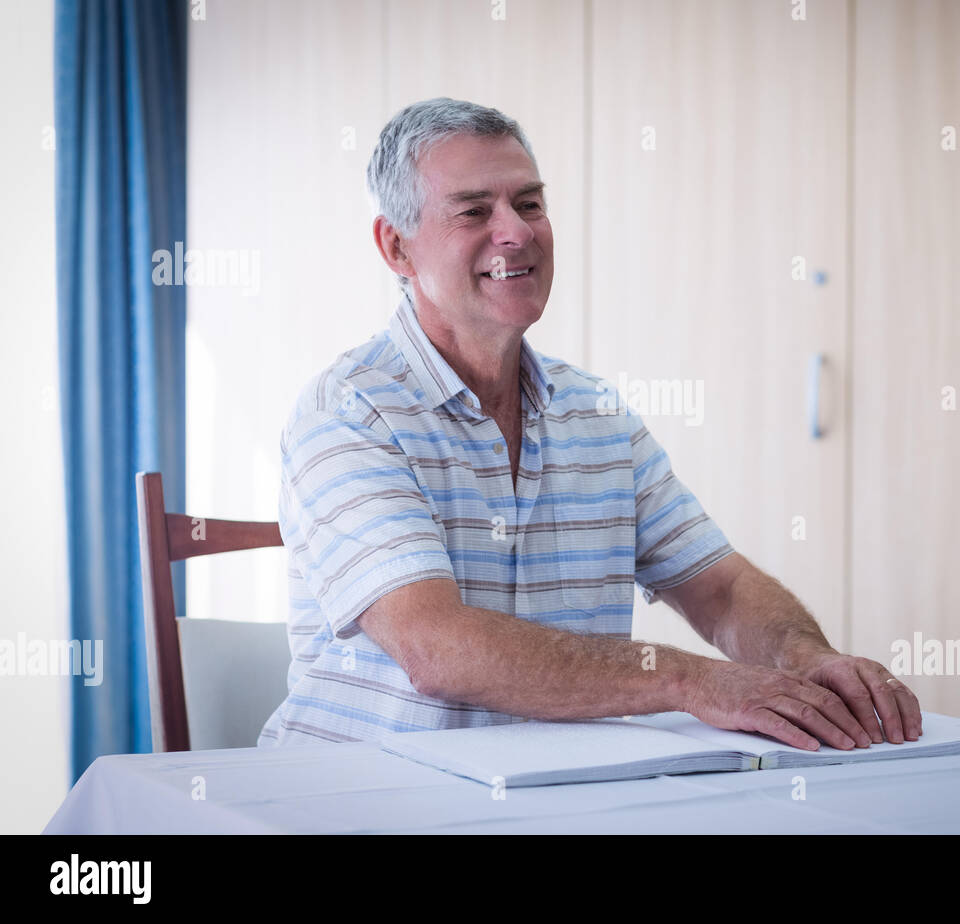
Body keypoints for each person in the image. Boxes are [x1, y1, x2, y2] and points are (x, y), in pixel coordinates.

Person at [258, 98, 922, 750]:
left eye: (529, 203)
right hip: (366, 800)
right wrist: (690, 681)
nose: (515, 231)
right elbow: (439, 649)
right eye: (474, 211)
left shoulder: (595, 413)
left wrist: (803, 656)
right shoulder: (348, 412)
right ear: (396, 247)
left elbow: (719, 590)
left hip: (557, 798)